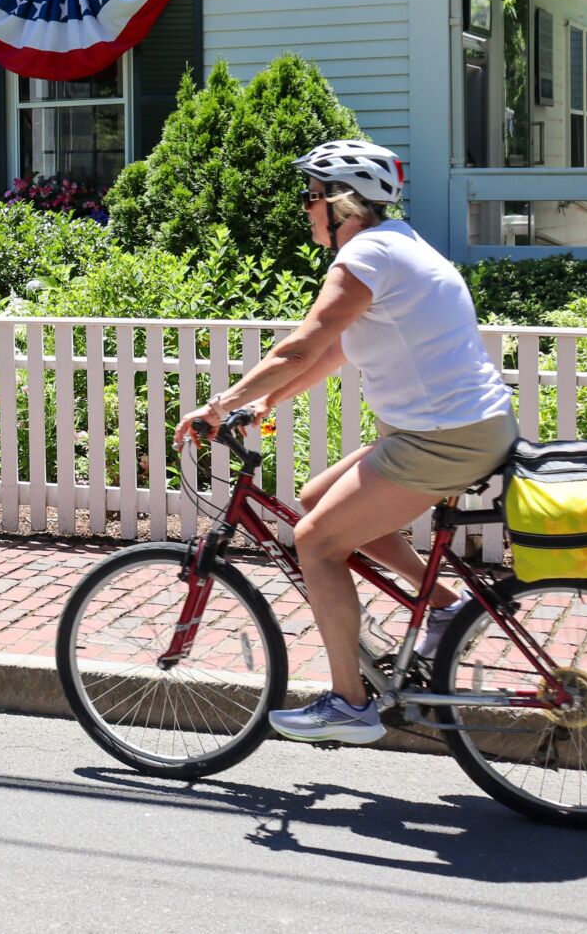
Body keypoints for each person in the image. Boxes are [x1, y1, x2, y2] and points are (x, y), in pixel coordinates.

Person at [179, 139, 515, 745]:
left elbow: (299, 347)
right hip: (451, 430)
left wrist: (219, 405)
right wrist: (265, 403)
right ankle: (441, 605)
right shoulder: (397, 246)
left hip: (443, 439)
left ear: (343, 204)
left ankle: (349, 703)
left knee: (315, 543)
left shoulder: (367, 256)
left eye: (311, 197)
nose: (305, 209)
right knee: (316, 497)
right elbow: (332, 351)